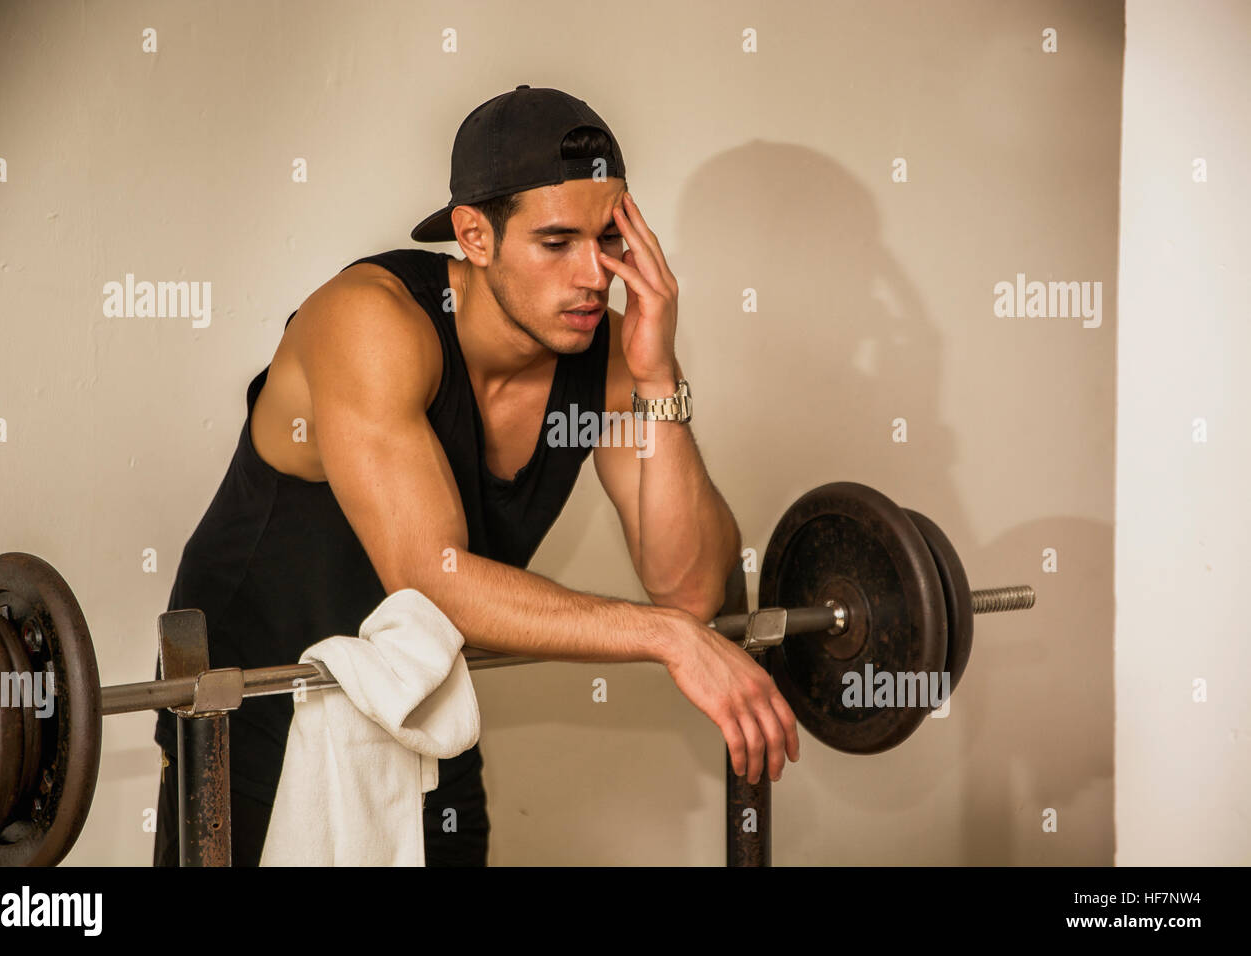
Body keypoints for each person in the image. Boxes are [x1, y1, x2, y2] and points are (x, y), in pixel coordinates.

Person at [151, 85, 798, 867]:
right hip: (254, 721)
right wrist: (667, 640)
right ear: (475, 236)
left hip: (424, 709)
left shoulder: (616, 356)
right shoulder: (372, 321)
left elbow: (691, 594)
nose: (595, 276)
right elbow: (434, 577)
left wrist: (658, 382)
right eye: (557, 242)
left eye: (609, 239)